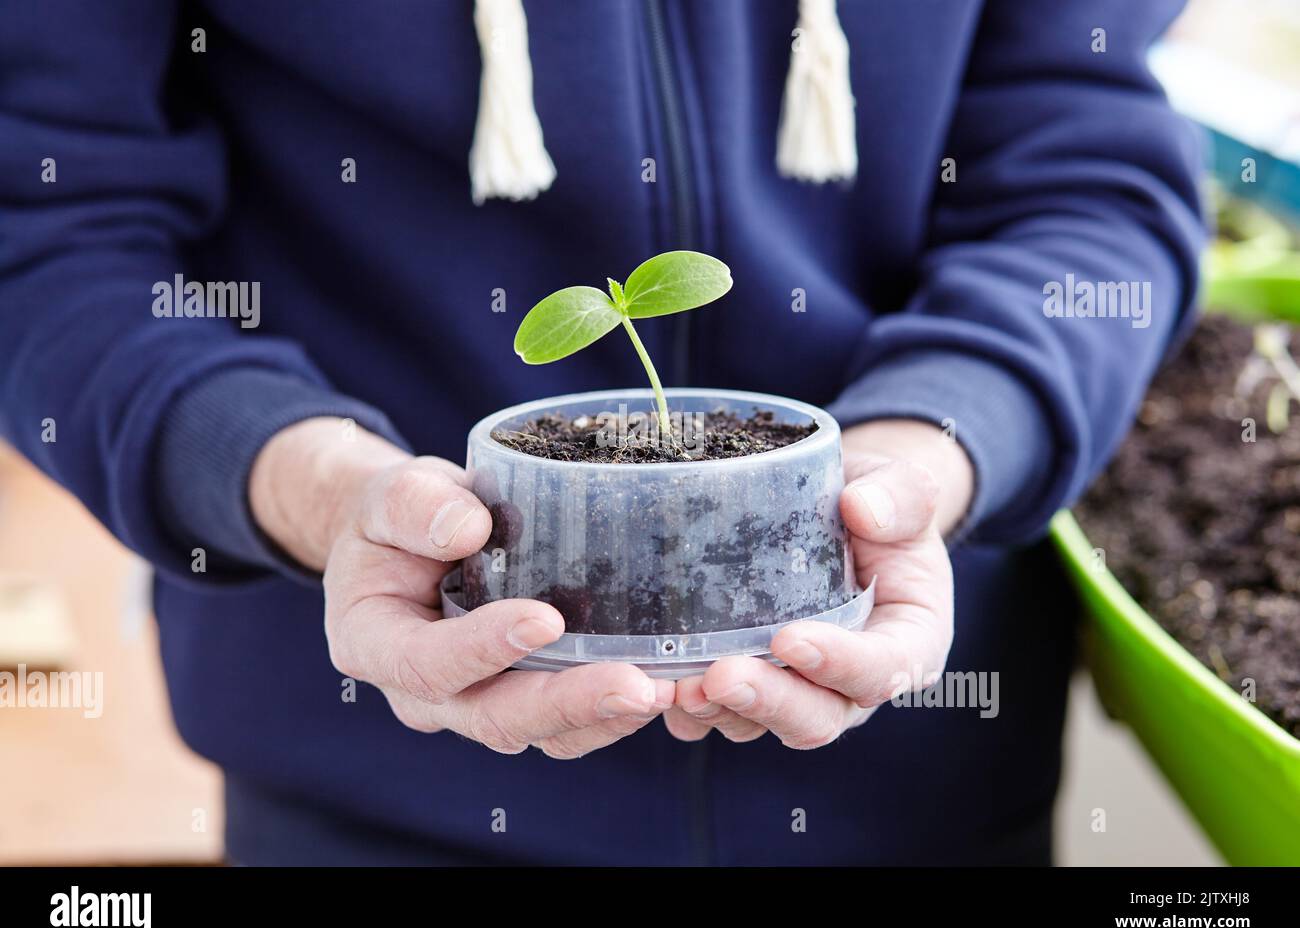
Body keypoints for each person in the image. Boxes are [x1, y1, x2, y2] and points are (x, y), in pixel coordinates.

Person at [0, 0, 1202, 865]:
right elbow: (47, 223)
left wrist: (935, 443)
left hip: (923, 773)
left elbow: (1085, 174)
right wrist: (309, 480)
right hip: (371, 786)